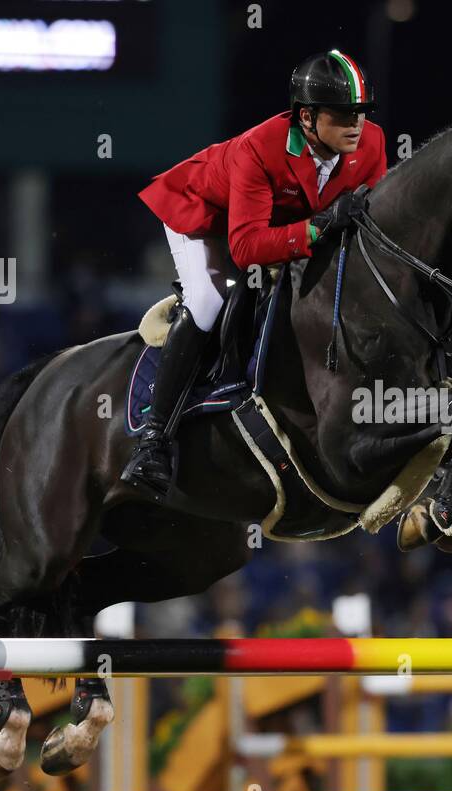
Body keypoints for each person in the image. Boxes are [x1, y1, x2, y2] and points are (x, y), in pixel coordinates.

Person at [124, 49, 388, 500]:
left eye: (361, 113)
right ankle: (154, 440)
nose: (356, 124)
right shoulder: (260, 149)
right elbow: (246, 249)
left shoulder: (372, 144)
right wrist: (318, 226)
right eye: (344, 114)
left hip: (271, 225)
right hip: (202, 214)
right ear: (306, 117)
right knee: (209, 299)